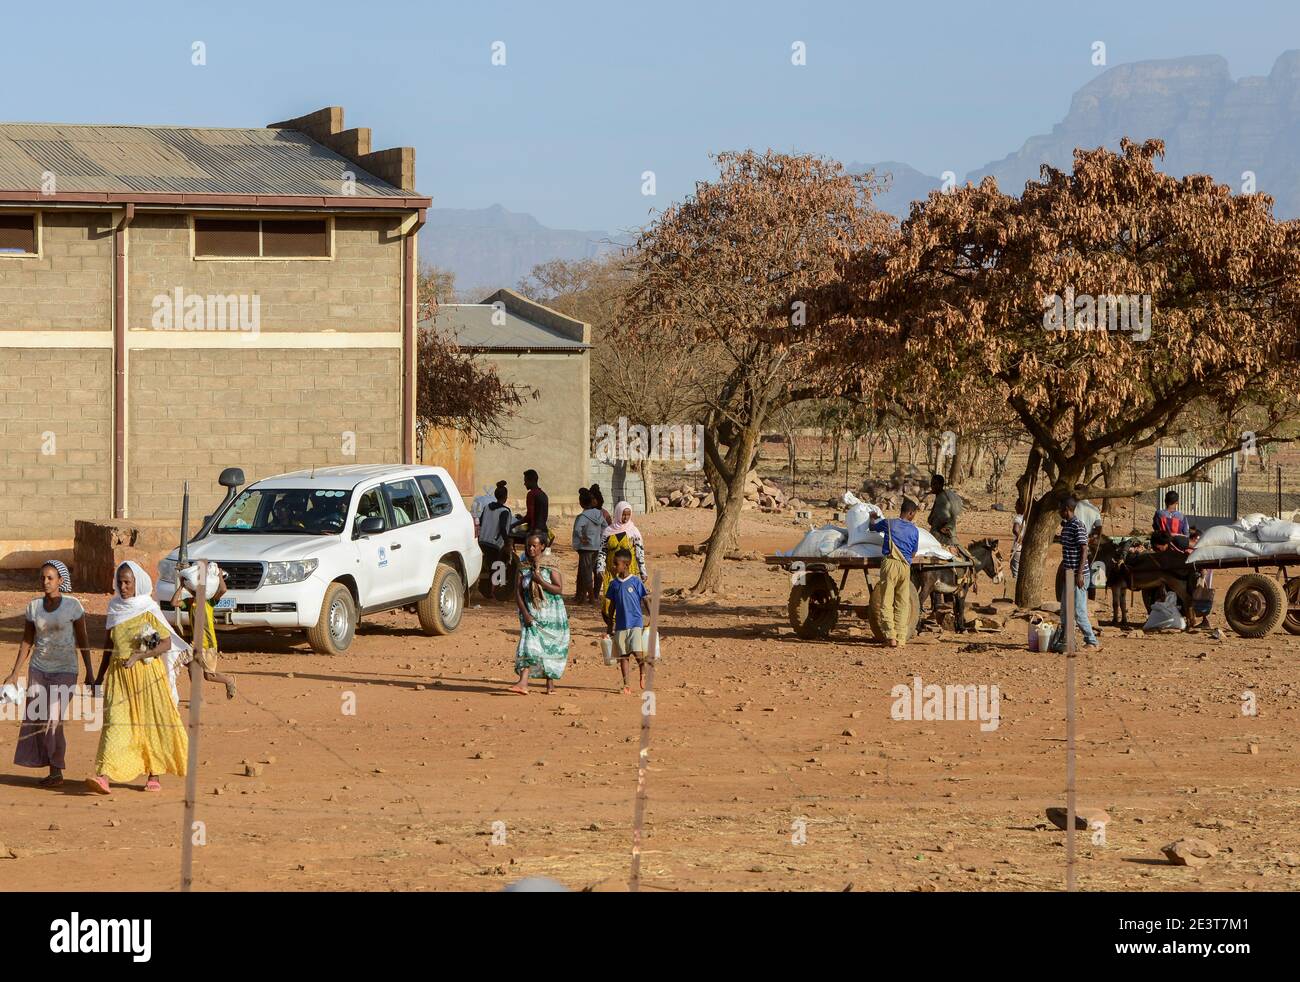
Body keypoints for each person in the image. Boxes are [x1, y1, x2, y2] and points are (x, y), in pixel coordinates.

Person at [86, 561, 190, 794]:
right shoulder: (114, 608)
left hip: (146, 678)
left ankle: (154, 774)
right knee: (115, 724)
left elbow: (165, 643)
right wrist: (98, 676)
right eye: (119, 582)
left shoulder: (147, 609)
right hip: (118, 678)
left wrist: (142, 654)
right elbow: (108, 645)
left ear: (138, 583)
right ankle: (104, 775)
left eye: (127, 583)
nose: (122, 587)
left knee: (149, 724)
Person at [3, 561, 92, 787]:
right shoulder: (34, 607)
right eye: (43, 578)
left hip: (66, 670)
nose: (45, 582)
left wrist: (90, 673)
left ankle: (57, 768)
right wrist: (14, 674)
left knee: (54, 718)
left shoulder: (73, 606)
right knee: (38, 719)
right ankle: (52, 770)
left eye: (50, 578)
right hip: (39, 670)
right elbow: (27, 640)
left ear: (60, 581)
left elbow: (83, 641)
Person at [508, 532, 570, 695]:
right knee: (528, 645)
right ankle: (523, 683)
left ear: (542, 546)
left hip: (552, 615)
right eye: (528, 545)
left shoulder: (551, 564)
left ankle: (550, 684)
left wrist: (540, 581)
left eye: (534, 545)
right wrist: (525, 614)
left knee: (551, 648)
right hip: (531, 613)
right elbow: (518, 593)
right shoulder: (523, 566)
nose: (531, 549)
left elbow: (558, 589)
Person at [169, 564, 238, 700]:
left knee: (208, 676)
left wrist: (219, 575)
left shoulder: (210, 602)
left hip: (208, 644)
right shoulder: (189, 602)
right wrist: (181, 586)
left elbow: (223, 589)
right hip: (195, 644)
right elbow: (173, 603)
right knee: (190, 665)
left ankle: (229, 680)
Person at [870, 498, 920, 647]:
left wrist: (872, 518)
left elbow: (872, 528)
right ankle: (901, 638)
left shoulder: (889, 523)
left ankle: (890, 636)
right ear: (910, 513)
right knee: (902, 603)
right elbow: (913, 553)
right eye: (914, 514)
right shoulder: (914, 530)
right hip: (905, 567)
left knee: (886, 601)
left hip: (890, 563)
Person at [1052, 496, 1099, 651]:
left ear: (1067, 509)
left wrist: (1079, 574)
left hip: (1078, 575)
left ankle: (1092, 641)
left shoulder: (1077, 525)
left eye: (1060, 509)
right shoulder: (1067, 526)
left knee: (1079, 611)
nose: (1059, 512)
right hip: (1069, 574)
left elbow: (1084, 549)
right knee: (1065, 609)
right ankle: (1066, 639)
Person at [603, 548, 650, 694]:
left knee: (637, 653)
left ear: (627, 564)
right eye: (613, 563)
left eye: (616, 564)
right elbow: (611, 607)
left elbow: (645, 599)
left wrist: (651, 616)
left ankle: (642, 672)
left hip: (636, 623)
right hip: (620, 625)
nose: (614, 566)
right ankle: (626, 684)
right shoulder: (614, 584)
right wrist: (610, 624)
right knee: (623, 656)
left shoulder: (636, 582)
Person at [595, 501, 646, 621]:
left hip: (628, 571)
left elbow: (640, 553)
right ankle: (611, 624)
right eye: (623, 514)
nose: (625, 517)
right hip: (611, 570)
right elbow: (602, 551)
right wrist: (600, 567)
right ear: (618, 514)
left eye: (628, 515)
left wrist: (643, 571)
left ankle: (624, 623)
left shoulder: (634, 532)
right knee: (609, 598)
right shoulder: (608, 531)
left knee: (627, 597)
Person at [477, 481, 513, 598]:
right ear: (506, 497)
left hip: (482, 541)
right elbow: (503, 528)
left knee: (489, 564)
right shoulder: (505, 511)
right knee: (500, 564)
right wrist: (507, 542)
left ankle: (486, 588)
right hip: (494, 544)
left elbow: (481, 522)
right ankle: (495, 591)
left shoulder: (487, 507)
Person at [572, 487, 607, 603]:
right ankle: (585, 596)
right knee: (593, 570)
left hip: (586, 548)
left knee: (586, 573)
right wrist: (599, 537)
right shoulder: (599, 514)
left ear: (581, 503)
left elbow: (578, 529)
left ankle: (591, 598)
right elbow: (605, 526)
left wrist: (582, 537)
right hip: (596, 547)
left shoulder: (583, 517)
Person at [511, 469, 551, 546]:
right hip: (544, 532)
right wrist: (522, 518)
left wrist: (513, 525)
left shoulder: (531, 494)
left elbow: (529, 517)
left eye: (525, 481)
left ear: (531, 481)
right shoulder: (543, 494)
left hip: (535, 533)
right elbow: (537, 515)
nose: (524, 484)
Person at [927, 474, 963, 546]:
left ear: (940, 485)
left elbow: (946, 518)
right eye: (931, 484)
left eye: (934, 484)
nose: (932, 486)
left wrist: (945, 527)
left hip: (941, 538)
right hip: (948, 535)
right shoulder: (944, 495)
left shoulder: (942, 499)